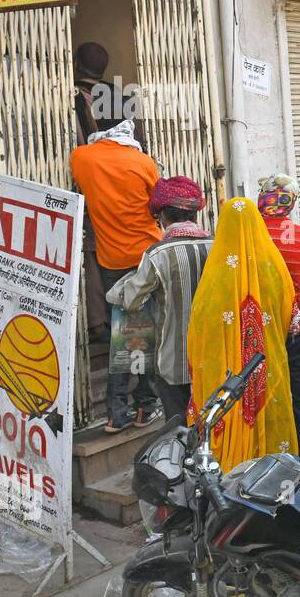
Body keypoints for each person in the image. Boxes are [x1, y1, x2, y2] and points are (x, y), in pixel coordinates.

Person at [188, 198, 297, 474]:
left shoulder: (215, 276)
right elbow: (288, 313)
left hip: (225, 374)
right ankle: (274, 475)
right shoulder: (275, 267)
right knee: (269, 416)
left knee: (227, 411)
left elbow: (200, 329)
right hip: (267, 364)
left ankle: (230, 471)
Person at [70, 117, 162, 432]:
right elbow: (157, 203)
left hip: (110, 262)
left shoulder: (82, 158)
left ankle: (117, 412)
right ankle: (143, 407)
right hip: (147, 259)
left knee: (124, 334)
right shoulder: (144, 162)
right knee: (144, 334)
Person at [105, 176, 212, 425]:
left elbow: (130, 302)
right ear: (195, 213)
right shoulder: (216, 246)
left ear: (162, 216)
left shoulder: (158, 254)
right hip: (212, 358)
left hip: (173, 361)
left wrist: (121, 288)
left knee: (178, 430)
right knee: (210, 428)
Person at [257, 173, 300, 476]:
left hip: (256, 334)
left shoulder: (249, 236)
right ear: (291, 203)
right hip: (298, 331)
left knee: (263, 402)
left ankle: (265, 473)